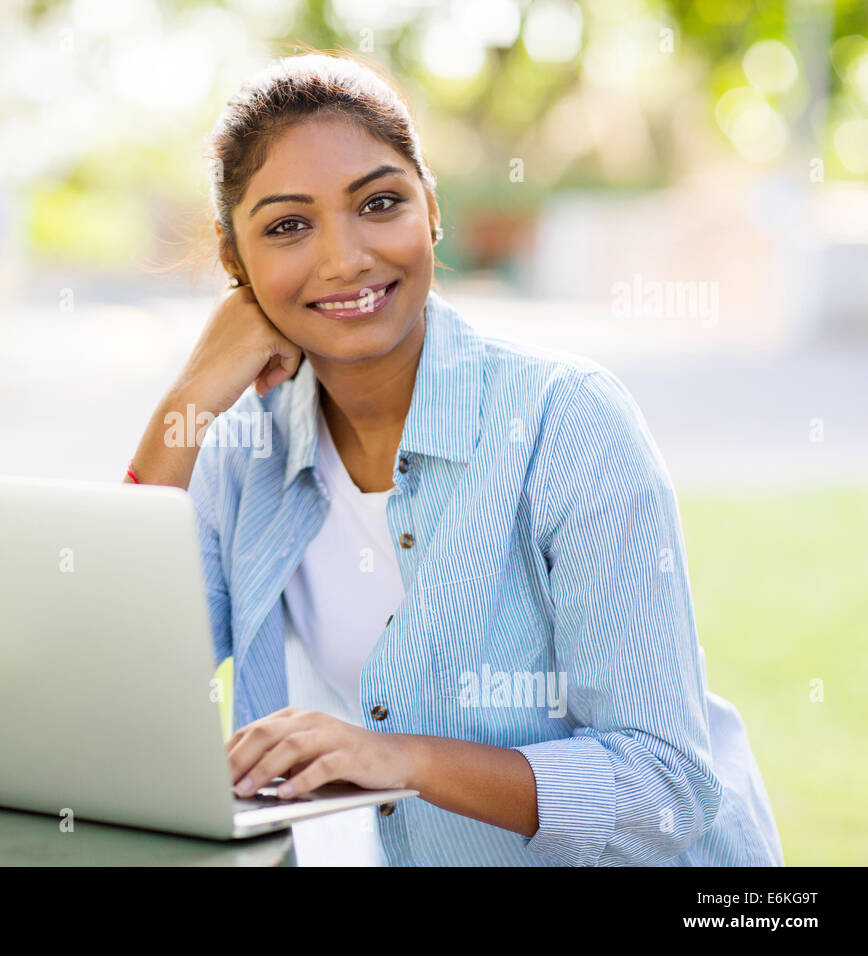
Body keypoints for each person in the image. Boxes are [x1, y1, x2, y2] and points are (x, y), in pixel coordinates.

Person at [124, 52, 783, 866]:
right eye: (289, 225)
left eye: (380, 203)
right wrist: (184, 400)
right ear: (235, 263)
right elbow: (116, 682)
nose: (346, 258)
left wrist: (399, 763)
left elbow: (666, 787)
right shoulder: (245, 446)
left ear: (431, 211)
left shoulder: (565, 422)